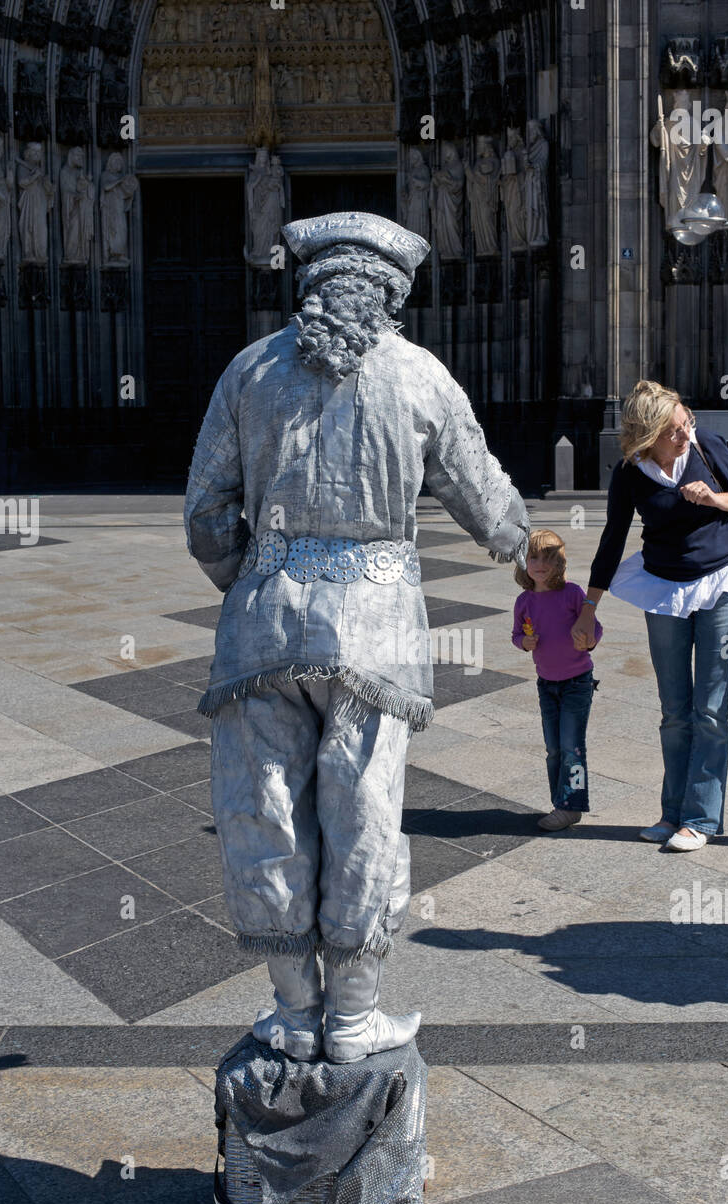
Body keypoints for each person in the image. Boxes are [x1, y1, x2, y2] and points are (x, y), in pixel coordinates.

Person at [184, 211, 529, 1064]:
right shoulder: (419, 375)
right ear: (392, 295)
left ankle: (295, 1012)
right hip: (374, 630)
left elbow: (203, 515)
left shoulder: (250, 370)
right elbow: (487, 503)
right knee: (364, 809)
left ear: (309, 289)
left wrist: (256, 573)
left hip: (261, 628)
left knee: (262, 810)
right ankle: (352, 1018)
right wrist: (524, 548)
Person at [571, 379, 728, 851]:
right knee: (675, 710)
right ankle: (671, 812)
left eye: (686, 423)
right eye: (674, 429)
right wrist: (588, 607)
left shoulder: (706, 445)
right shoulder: (630, 472)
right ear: (647, 434)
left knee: (711, 709)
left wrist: (719, 500)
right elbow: (613, 537)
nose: (685, 433)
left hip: (721, 584)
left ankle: (700, 818)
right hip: (663, 590)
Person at [512, 529, 602, 831]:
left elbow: (594, 628)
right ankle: (560, 802)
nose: (540, 564)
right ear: (523, 563)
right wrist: (525, 643)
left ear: (559, 562)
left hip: (577, 681)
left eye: (548, 558)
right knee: (553, 748)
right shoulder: (524, 601)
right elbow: (516, 635)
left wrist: (587, 641)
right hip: (545, 683)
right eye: (533, 558)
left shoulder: (572, 594)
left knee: (571, 745)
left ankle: (571, 805)